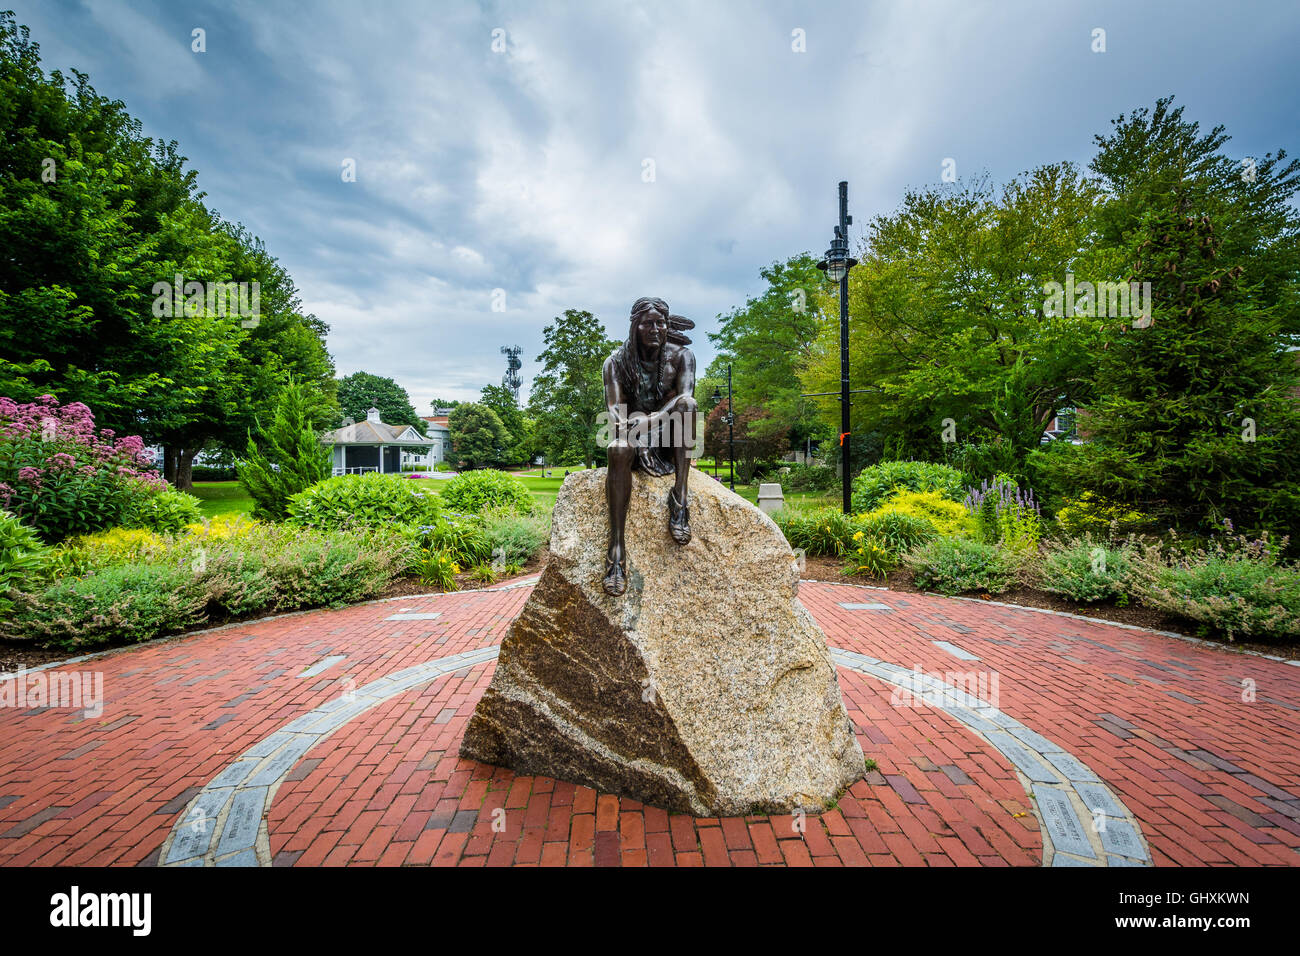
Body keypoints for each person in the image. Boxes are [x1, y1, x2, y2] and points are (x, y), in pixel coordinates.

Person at [600, 296, 697, 596]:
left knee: (689, 407)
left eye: (661, 323)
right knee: (616, 449)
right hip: (631, 432)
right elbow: (616, 415)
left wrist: (649, 422)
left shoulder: (682, 357)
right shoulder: (615, 362)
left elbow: (685, 400)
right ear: (635, 327)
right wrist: (639, 437)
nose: (655, 329)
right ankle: (616, 551)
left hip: (669, 437)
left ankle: (679, 499)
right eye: (648, 323)